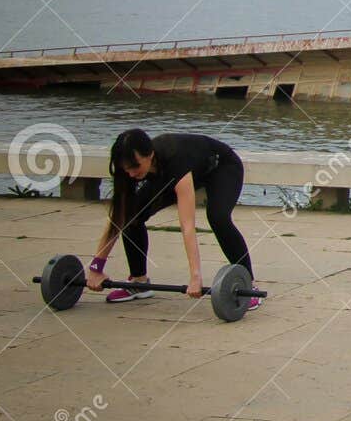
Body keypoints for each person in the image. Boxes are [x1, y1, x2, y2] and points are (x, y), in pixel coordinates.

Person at [84, 129, 258, 309]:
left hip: (221, 167)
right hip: (172, 173)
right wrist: (96, 268)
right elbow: (117, 218)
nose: (130, 174)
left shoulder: (176, 159)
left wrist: (195, 277)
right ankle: (139, 281)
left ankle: (247, 283)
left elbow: (187, 225)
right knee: (131, 215)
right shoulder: (127, 169)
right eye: (126, 168)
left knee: (218, 217)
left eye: (134, 167)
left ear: (150, 154)